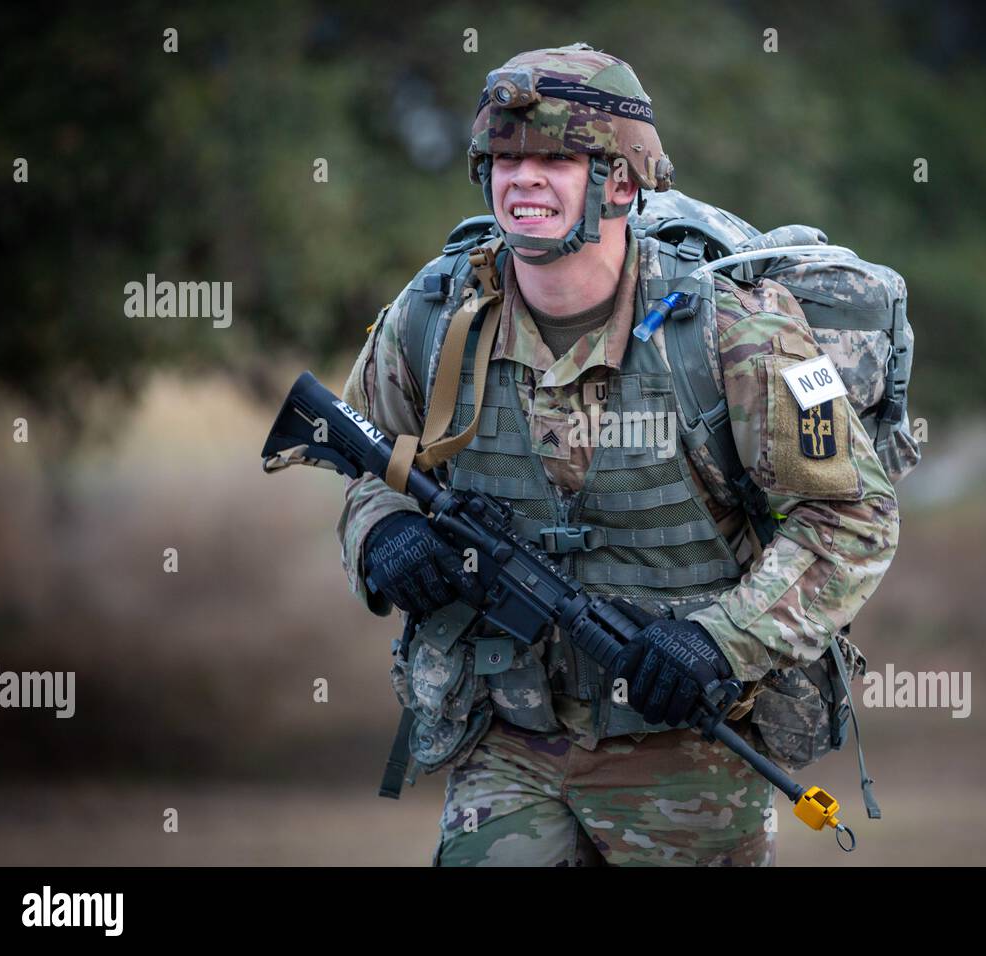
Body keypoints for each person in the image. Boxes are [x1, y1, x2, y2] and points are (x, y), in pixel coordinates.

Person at [336, 42, 900, 866]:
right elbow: (365, 460)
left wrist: (719, 641)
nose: (521, 176)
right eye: (503, 156)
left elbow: (853, 519)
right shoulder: (434, 314)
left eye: (557, 157)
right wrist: (384, 536)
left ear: (624, 182)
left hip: (686, 752)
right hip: (508, 738)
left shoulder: (735, 329)